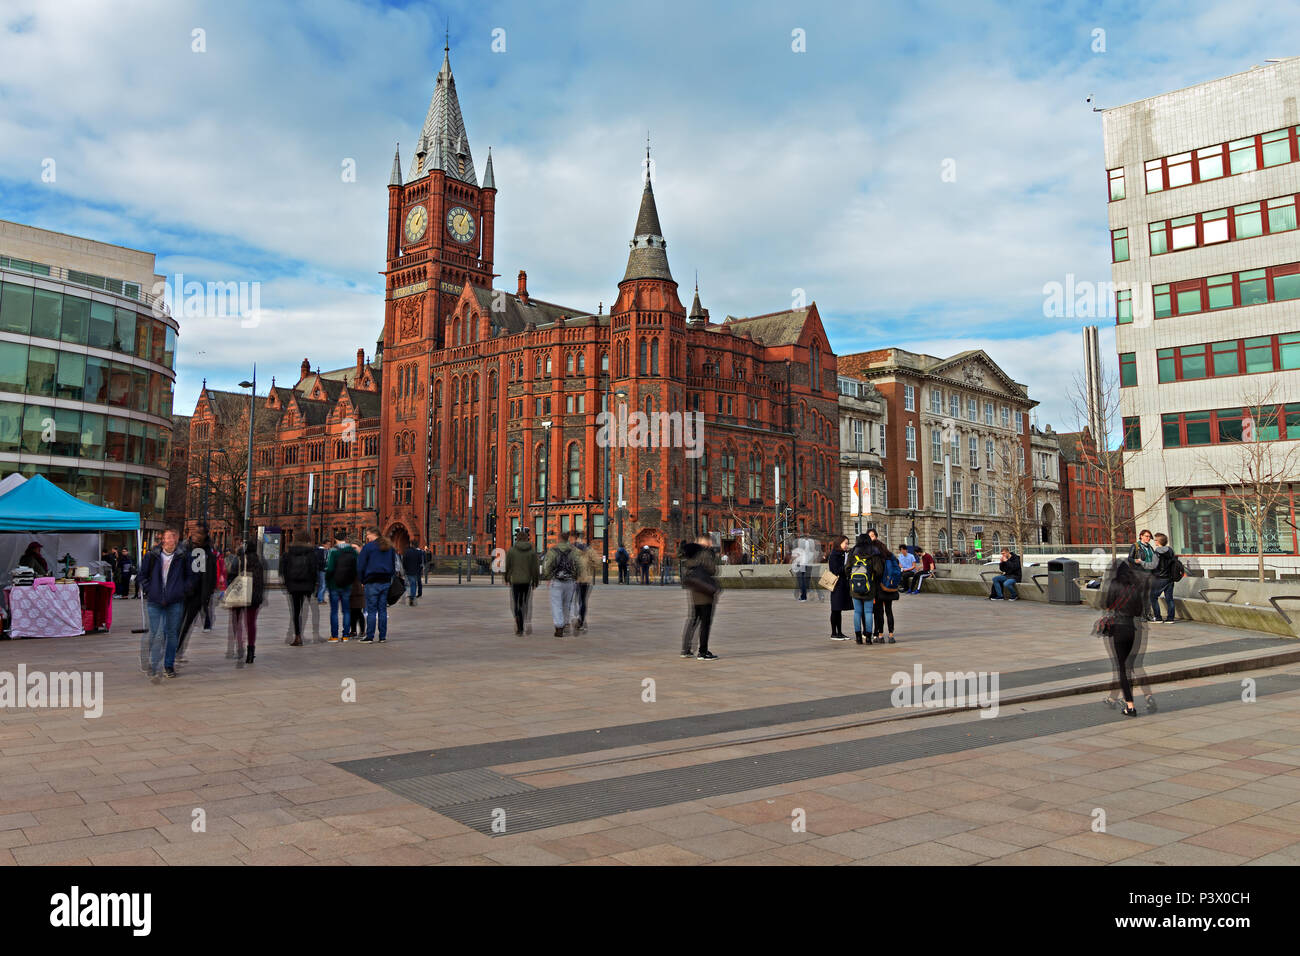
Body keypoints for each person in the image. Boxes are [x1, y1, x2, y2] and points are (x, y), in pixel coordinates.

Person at [137, 528, 195, 681]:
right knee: (156, 633)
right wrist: (150, 589)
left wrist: (182, 590)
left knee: (172, 634)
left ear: (177, 539)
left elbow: (191, 576)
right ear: (163, 539)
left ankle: (169, 665)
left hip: (175, 601)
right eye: (168, 537)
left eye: (173, 537)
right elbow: (141, 575)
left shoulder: (183, 556)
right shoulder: (152, 555)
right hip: (155, 601)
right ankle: (154, 663)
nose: (171, 540)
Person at [1101, 559, 1156, 716]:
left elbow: (1108, 604)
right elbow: (1139, 610)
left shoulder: (1114, 584)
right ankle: (1127, 698)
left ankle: (1130, 706)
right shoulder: (1134, 587)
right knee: (1131, 665)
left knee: (1123, 669)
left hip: (1118, 628)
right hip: (1131, 628)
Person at [176, 527, 216, 663]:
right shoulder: (188, 550)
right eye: (194, 533)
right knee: (180, 623)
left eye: (198, 534)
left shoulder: (205, 553)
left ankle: (176, 651)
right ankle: (174, 651)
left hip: (196, 594)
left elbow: (210, 576)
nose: (195, 536)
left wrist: (206, 596)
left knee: (185, 624)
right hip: (187, 592)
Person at [226, 539, 266, 666]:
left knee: (237, 622)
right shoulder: (259, 562)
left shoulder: (239, 560)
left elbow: (231, 576)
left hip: (240, 594)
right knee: (251, 623)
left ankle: (240, 648)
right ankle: (250, 652)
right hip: (254, 597)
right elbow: (261, 582)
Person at [680, 535, 720, 660]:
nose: (711, 543)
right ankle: (703, 652)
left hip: (695, 592)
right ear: (705, 542)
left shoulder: (691, 555)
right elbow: (713, 570)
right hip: (705, 592)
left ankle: (685, 649)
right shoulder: (705, 553)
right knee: (705, 623)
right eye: (709, 541)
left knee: (692, 620)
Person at [356, 528, 396, 643]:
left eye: (368, 535)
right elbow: (393, 565)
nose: (367, 537)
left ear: (373, 534)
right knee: (382, 610)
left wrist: (362, 580)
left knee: (371, 610)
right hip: (385, 581)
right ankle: (382, 636)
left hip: (372, 581)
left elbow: (360, 565)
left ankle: (370, 636)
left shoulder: (368, 547)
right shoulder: (389, 547)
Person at [281, 533, 319, 646]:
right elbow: (314, 570)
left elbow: (284, 571)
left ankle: (297, 636)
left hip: (294, 586)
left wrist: (288, 584)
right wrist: (313, 585)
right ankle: (315, 634)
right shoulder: (311, 553)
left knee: (296, 611)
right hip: (307, 585)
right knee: (311, 610)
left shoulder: (288, 553)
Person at [541, 531, 579, 637]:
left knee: (556, 604)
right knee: (567, 604)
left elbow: (547, 565)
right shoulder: (574, 551)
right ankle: (566, 623)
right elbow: (579, 565)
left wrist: (547, 577)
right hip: (570, 581)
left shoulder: (553, 550)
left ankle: (559, 627)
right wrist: (576, 577)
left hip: (556, 581)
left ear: (559, 539)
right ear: (568, 539)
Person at [504, 528, 540, 635]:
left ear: (517, 539)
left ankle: (519, 626)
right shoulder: (532, 551)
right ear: (527, 539)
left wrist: (506, 578)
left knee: (517, 602)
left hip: (515, 581)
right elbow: (535, 568)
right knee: (524, 602)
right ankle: (523, 621)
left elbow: (508, 566)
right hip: (527, 581)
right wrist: (535, 581)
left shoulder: (511, 551)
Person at [325, 534, 358, 641]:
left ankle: (334, 636)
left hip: (334, 584)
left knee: (334, 611)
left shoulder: (333, 551)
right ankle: (345, 635)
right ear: (345, 539)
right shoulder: (352, 551)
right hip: (347, 584)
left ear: (335, 539)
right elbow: (356, 567)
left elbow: (330, 568)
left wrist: (327, 580)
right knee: (346, 611)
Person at [845, 533, 874, 644]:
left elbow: (847, 569)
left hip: (855, 587)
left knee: (857, 612)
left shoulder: (852, 552)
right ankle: (868, 638)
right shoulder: (873, 552)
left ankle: (858, 637)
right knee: (868, 612)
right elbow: (879, 570)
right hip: (869, 587)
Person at [870, 540, 900, 644]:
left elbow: (877, 572)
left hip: (880, 587)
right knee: (889, 611)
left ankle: (881, 635)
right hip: (889, 586)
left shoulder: (877, 557)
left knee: (879, 612)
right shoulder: (890, 556)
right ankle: (891, 635)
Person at [572, 534, 601, 632]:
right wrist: (590, 566)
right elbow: (597, 562)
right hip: (585, 579)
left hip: (575, 579)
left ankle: (575, 618)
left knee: (575, 600)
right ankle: (581, 620)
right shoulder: (588, 550)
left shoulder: (572, 551)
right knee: (583, 600)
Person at [1149, 533, 1179, 624]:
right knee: (1169, 598)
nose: (1154, 541)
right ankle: (1170, 618)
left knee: (1153, 597)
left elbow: (1153, 565)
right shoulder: (1170, 550)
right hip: (1170, 577)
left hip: (1160, 578)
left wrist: (1142, 563)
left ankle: (1158, 618)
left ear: (1158, 541)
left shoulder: (1157, 552)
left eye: (1155, 540)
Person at [827, 534, 851, 640]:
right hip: (836, 585)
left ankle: (840, 632)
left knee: (839, 609)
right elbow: (835, 570)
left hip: (843, 584)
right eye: (845, 543)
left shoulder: (843, 554)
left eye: (847, 544)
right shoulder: (834, 555)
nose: (846, 545)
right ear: (839, 543)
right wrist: (847, 565)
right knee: (835, 609)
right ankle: (834, 633)